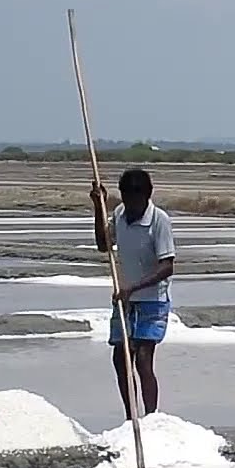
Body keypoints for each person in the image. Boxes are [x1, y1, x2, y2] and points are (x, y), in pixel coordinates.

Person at [90, 167, 176, 419]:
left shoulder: (159, 220)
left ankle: (151, 417)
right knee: (121, 358)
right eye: (126, 200)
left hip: (151, 300)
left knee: (142, 359)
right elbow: (104, 244)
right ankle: (131, 417)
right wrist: (99, 206)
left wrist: (133, 288)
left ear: (147, 196)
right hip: (125, 300)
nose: (131, 207)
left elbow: (167, 266)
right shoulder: (119, 213)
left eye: (136, 202)